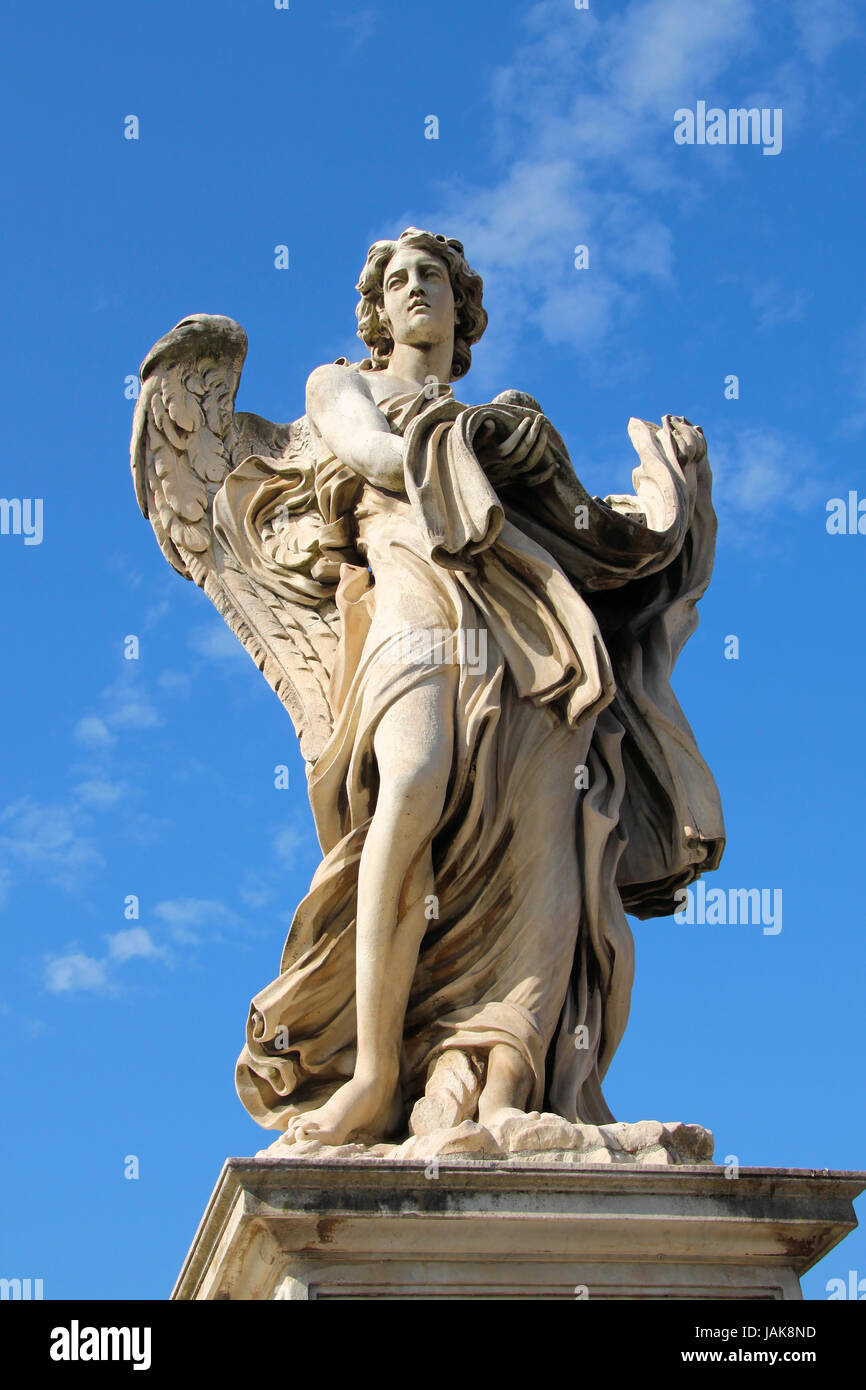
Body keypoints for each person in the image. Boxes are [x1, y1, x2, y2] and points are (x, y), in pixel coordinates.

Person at [234, 227, 724, 1146]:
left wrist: (670, 504)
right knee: (410, 782)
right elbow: (380, 460)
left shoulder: (510, 428)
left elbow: (599, 543)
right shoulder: (344, 386)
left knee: (547, 830)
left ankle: (504, 1083)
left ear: (465, 311)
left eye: (436, 279)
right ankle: (377, 1077)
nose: (417, 290)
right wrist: (482, 439)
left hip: (526, 622)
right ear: (376, 311)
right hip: (414, 594)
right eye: (399, 280)